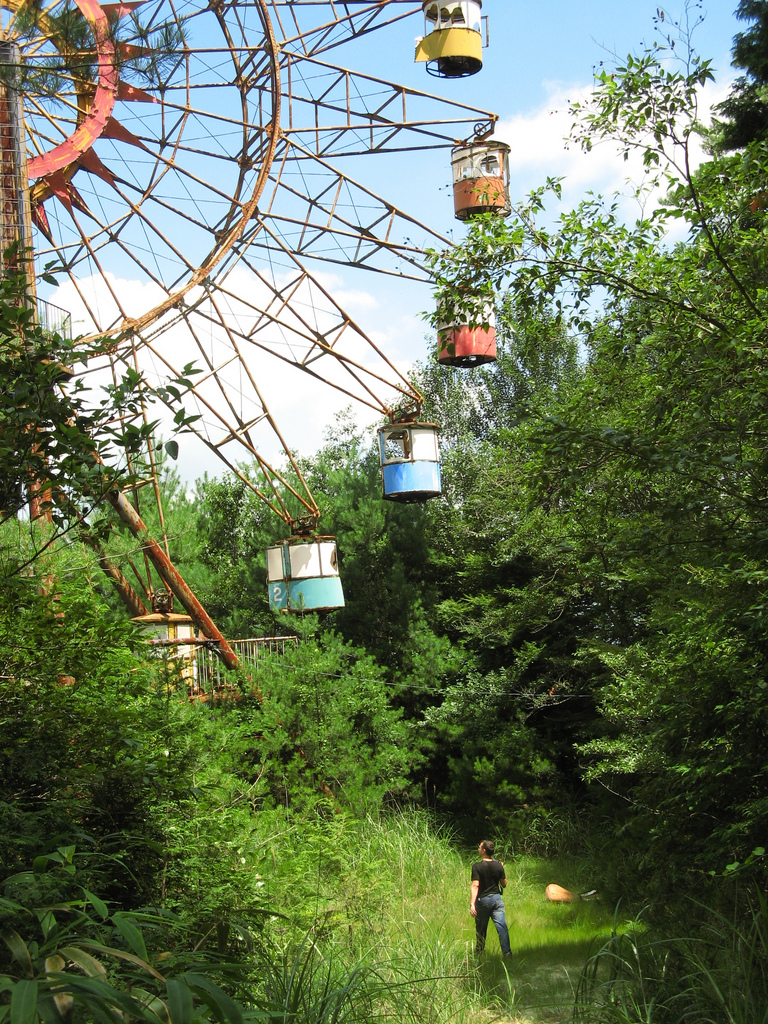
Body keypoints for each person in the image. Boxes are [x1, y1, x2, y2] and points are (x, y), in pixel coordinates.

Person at [470, 840, 511, 956]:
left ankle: (479, 952)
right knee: (502, 926)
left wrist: (472, 903)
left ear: (484, 851)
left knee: (481, 929)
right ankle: (507, 953)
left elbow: (475, 885)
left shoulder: (477, 867)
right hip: (497, 899)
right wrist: (501, 870)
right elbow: (504, 884)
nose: (478, 849)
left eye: (479, 847)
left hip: (482, 901)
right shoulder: (498, 865)